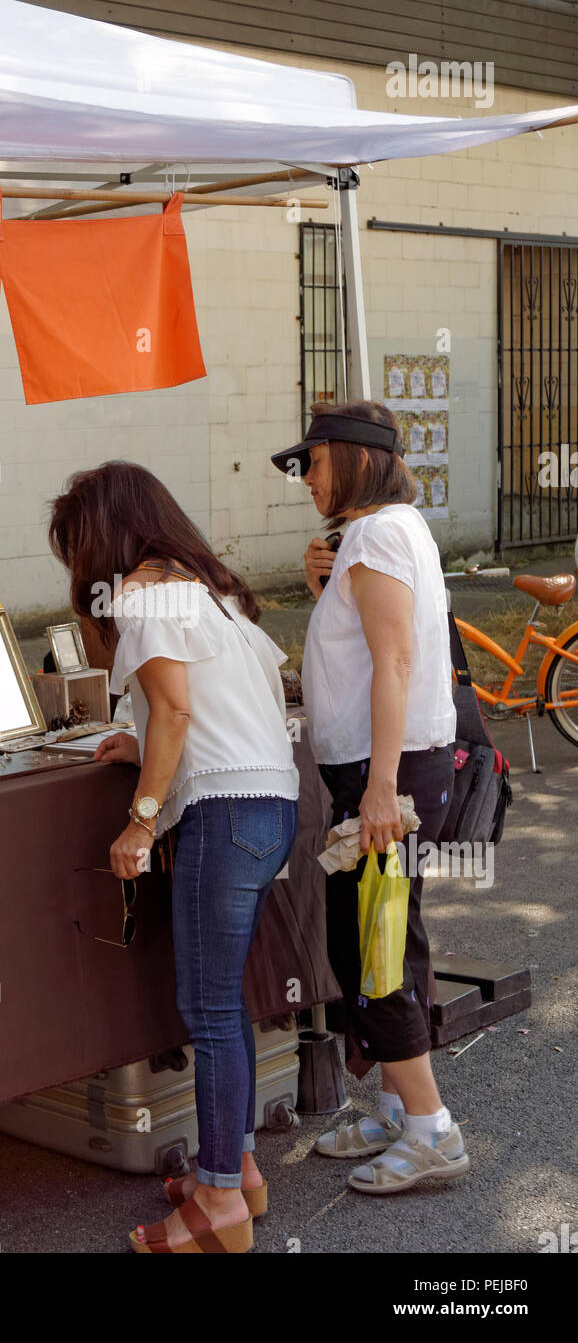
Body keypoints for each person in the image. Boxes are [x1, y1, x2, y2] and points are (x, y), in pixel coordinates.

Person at [48, 461, 299, 1253]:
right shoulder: (206, 592)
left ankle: (220, 1205)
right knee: (227, 1008)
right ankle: (236, 1171)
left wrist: (141, 821)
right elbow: (213, 707)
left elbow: (181, 712)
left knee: (212, 1011)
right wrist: (144, 746)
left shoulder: (145, 596)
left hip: (223, 813)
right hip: (269, 806)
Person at [272, 400, 467, 1195]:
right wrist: (327, 587)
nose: (304, 479)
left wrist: (381, 787)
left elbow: (394, 662)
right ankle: (394, 1107)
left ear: (348, 457)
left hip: (388, 773)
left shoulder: (381, 533)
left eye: (310, 462)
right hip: (385, 766)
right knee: (390, 938)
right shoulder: (383, 530)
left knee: (371, 951)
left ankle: (432, 1132)